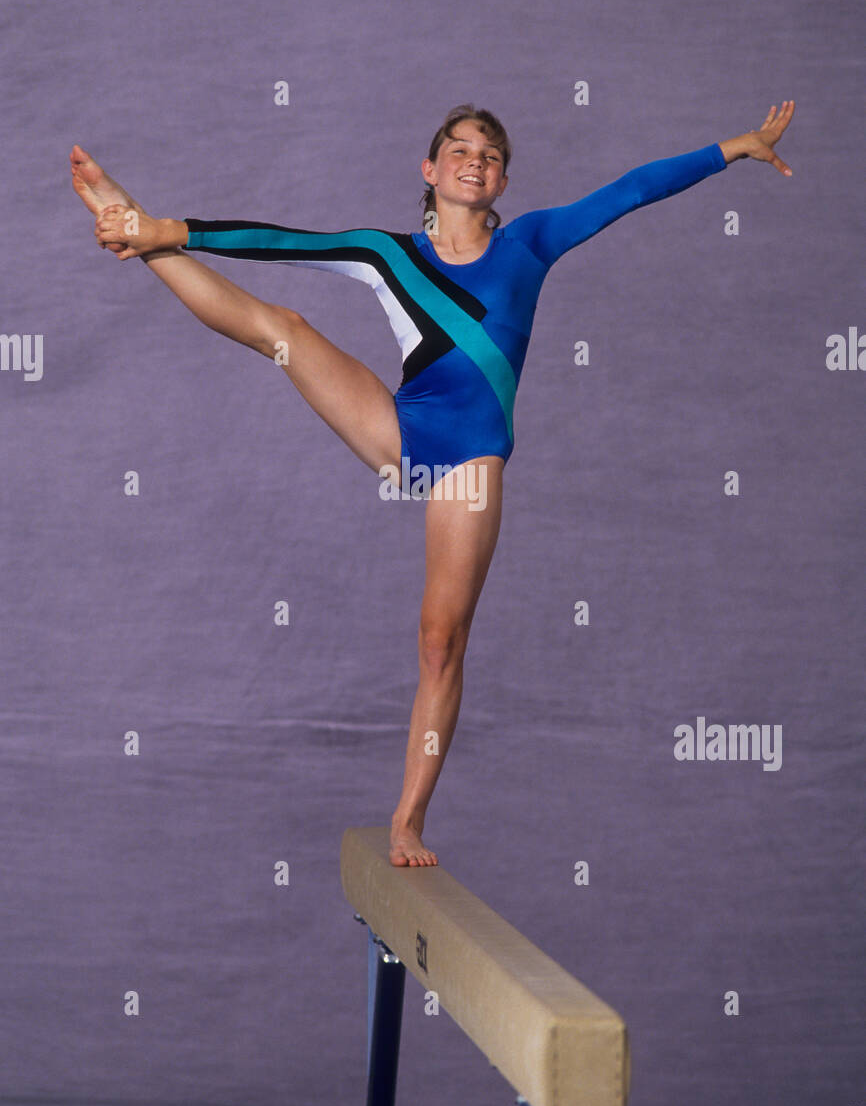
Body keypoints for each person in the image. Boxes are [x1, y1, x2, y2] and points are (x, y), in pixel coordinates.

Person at [70, 99, 795, 867]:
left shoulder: (531, 243)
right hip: (401, 433)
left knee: (439, 642)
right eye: (458, 147)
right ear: (430, 169)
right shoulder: (389, 255)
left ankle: (408, 818)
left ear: (503, 179)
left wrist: (735, 148)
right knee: (282, 329)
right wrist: (167, 230)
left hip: (469, 461)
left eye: (489, 153)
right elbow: (280, 241)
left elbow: (630, 189)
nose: (473, 157)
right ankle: (138, 229)